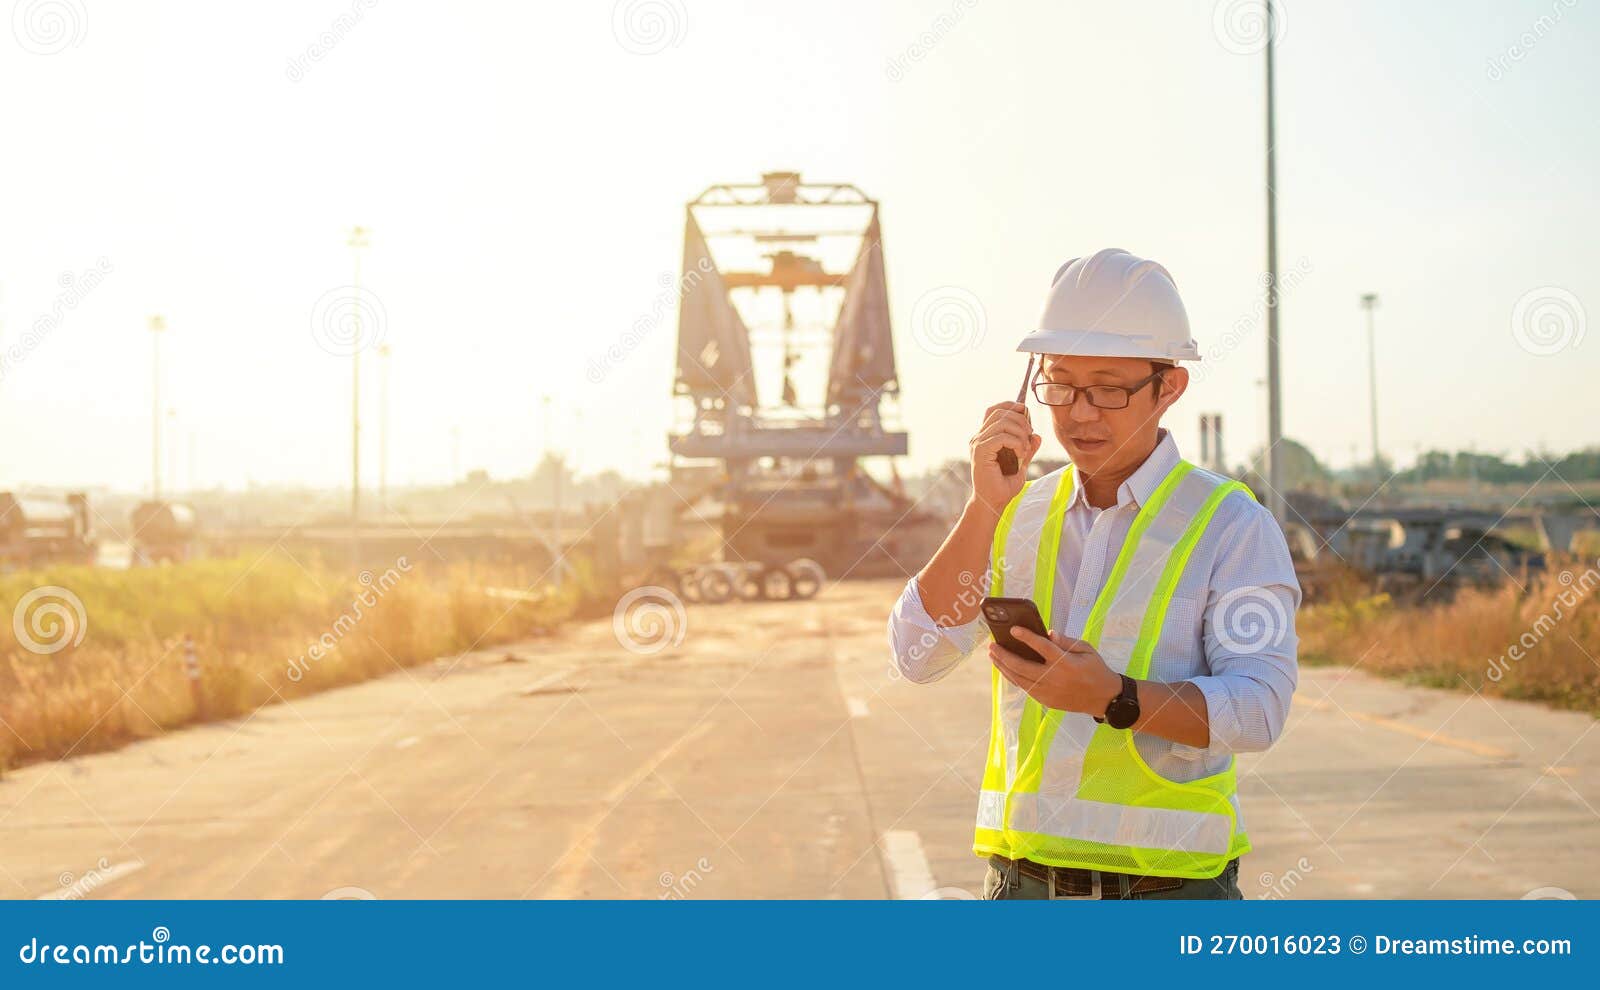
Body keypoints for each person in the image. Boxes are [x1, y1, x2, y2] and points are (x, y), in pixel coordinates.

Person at [887, 248, 1300, 900]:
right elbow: (917, 654)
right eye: (1060, 385)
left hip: (1166, 895)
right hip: (1019, 889)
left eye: (1109, 389)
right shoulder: (1012, 514)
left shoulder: (1231, 525)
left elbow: (1259, 710)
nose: (1079, 413)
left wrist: (1114, 698)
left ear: (1170, 387)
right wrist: (982, 507)